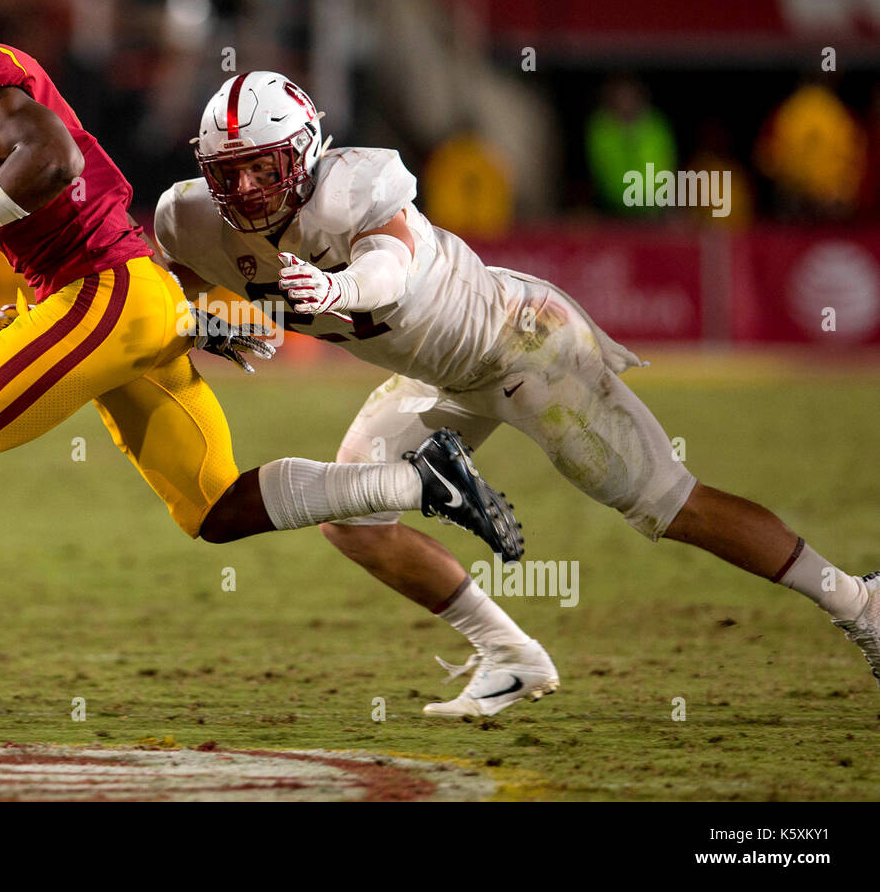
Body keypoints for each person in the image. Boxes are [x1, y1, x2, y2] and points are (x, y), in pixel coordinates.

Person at [0, 0, 521, 725]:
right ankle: (420, 485)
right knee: (216, 508)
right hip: (123, 292)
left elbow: (54, 159)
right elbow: (67, 208)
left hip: (103, 294)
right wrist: (90, 312)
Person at [154, 70, 880, 716]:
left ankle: (858, 601)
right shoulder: (190, 220)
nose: (246, 189)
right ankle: (510, 655)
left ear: (308, 152)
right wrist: (195, 321)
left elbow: (392, 268)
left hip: (524, 345)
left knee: (670, 507)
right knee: (354, 521)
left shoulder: (361, 185)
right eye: (231, 171)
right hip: (438, 374)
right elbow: (163, 296)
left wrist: (336, 287)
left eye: (262, 167)